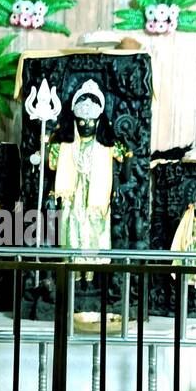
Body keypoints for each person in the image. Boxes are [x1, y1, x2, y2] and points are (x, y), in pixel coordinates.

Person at [45, 80, 131, 272]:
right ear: (75, 122)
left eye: (91, 122)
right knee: (71, 229)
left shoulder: (107, 146)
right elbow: (51, 167)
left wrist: (128, 154)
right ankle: (72, 273)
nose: (86, 125)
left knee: (94, 231)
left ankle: (91, 275)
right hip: (71, 195)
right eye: (82, 121)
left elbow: (125, 167)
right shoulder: (64, 146)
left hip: (96, 198)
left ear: (98, 122)